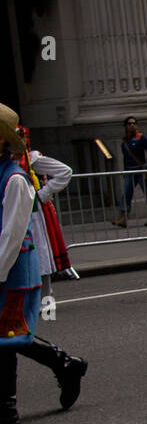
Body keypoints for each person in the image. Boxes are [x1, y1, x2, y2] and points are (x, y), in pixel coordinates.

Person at [1, 104, 88, 424]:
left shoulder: (15, 180)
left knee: (7, 336)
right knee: (8, 335)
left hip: (12, 268)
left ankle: (6, 410)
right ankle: (66, 364)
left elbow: (11, 234)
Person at [17, 125, 74, 298]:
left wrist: (43, 193)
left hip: (33, 213)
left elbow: (64, 172)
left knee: (39, 250)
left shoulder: (31, 159)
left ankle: (45, 295)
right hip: (15, 211)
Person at [114, 116, 147, 227]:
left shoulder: (142, 138)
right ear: (125, 126)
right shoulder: (124, 141)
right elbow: (125, 157)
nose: (132, 125)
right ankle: (123, 217)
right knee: (126, 194)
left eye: (134, 123)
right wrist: (125, 171)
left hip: (142, 170)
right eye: (129, 123)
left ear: (137, 125)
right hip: (129, 171)